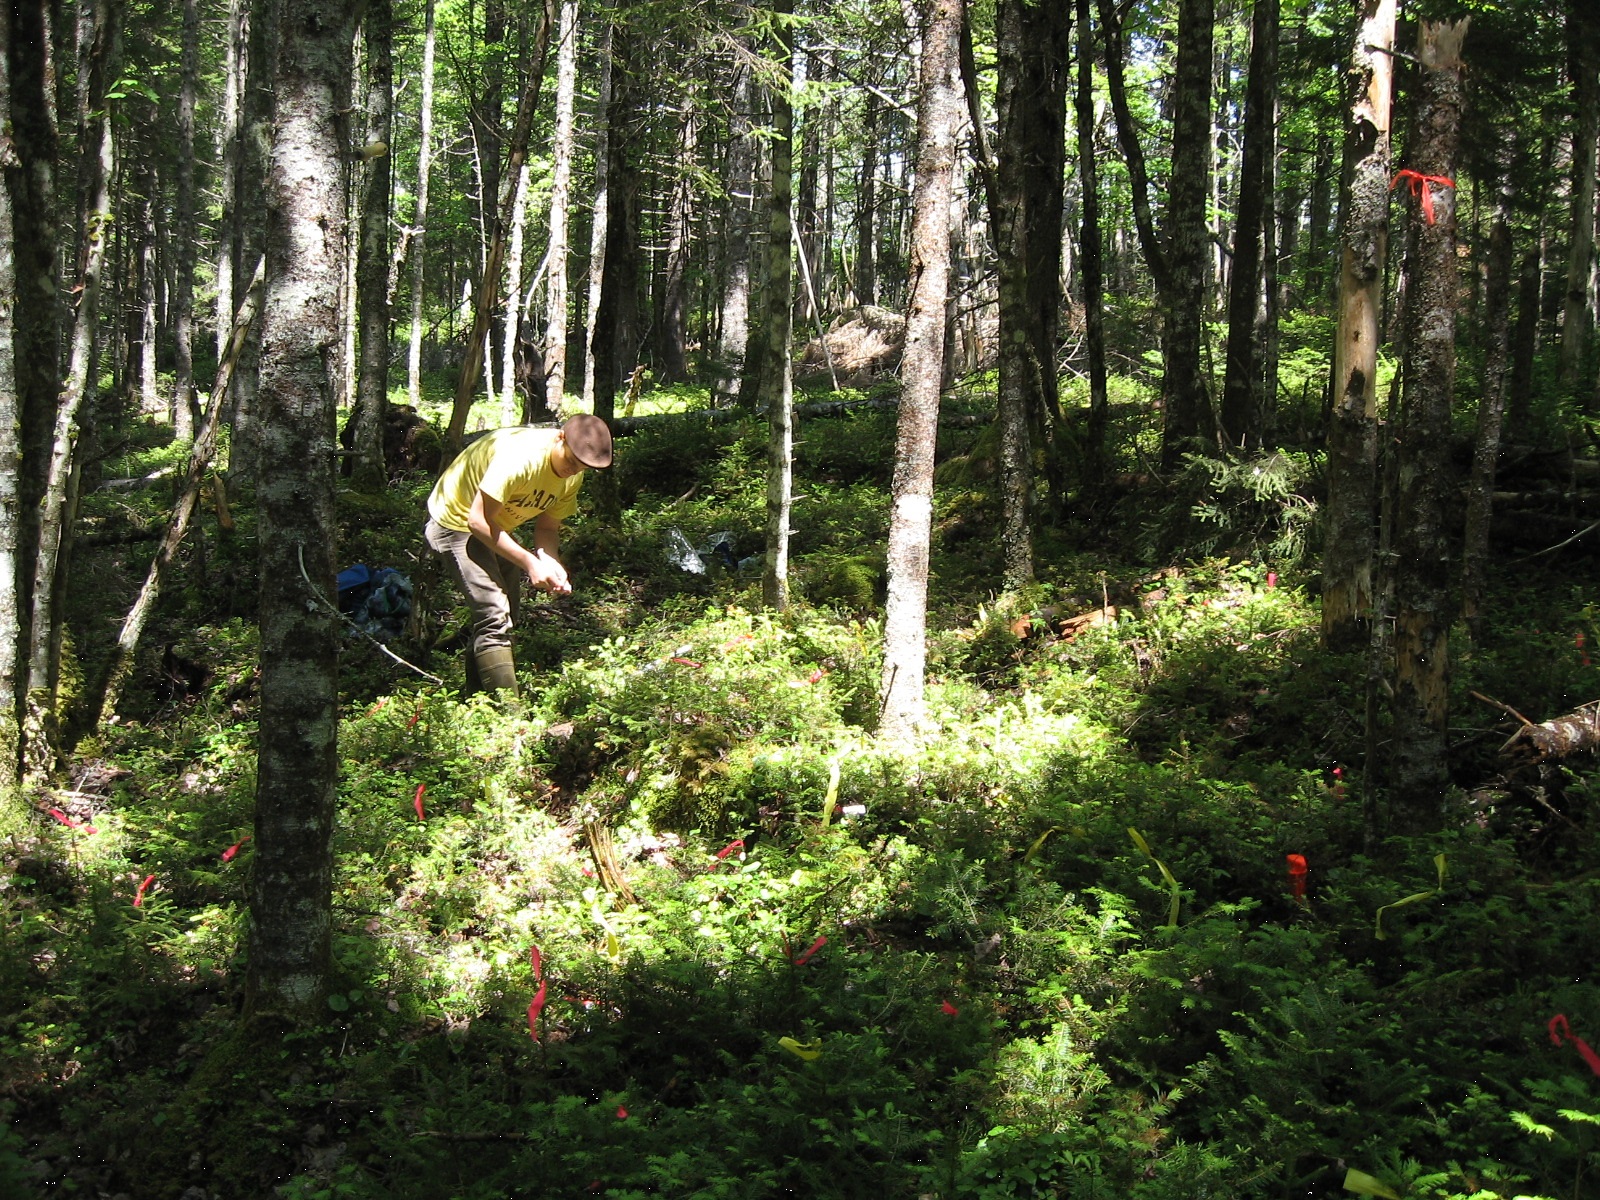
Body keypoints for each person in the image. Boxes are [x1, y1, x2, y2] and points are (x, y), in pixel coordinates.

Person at [424, 414, 613, 696]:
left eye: (581, 468)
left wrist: (548, 561)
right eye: (571, 462)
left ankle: (475, 697)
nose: (572, 471)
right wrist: (528, 562)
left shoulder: (572, 475)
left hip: (494, 524)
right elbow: (477, 521)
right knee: (494, 616)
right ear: (560, 437)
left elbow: (548, 527)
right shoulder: (521, 458)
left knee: (507, 611)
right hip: (456, 522)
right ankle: (508, 717)